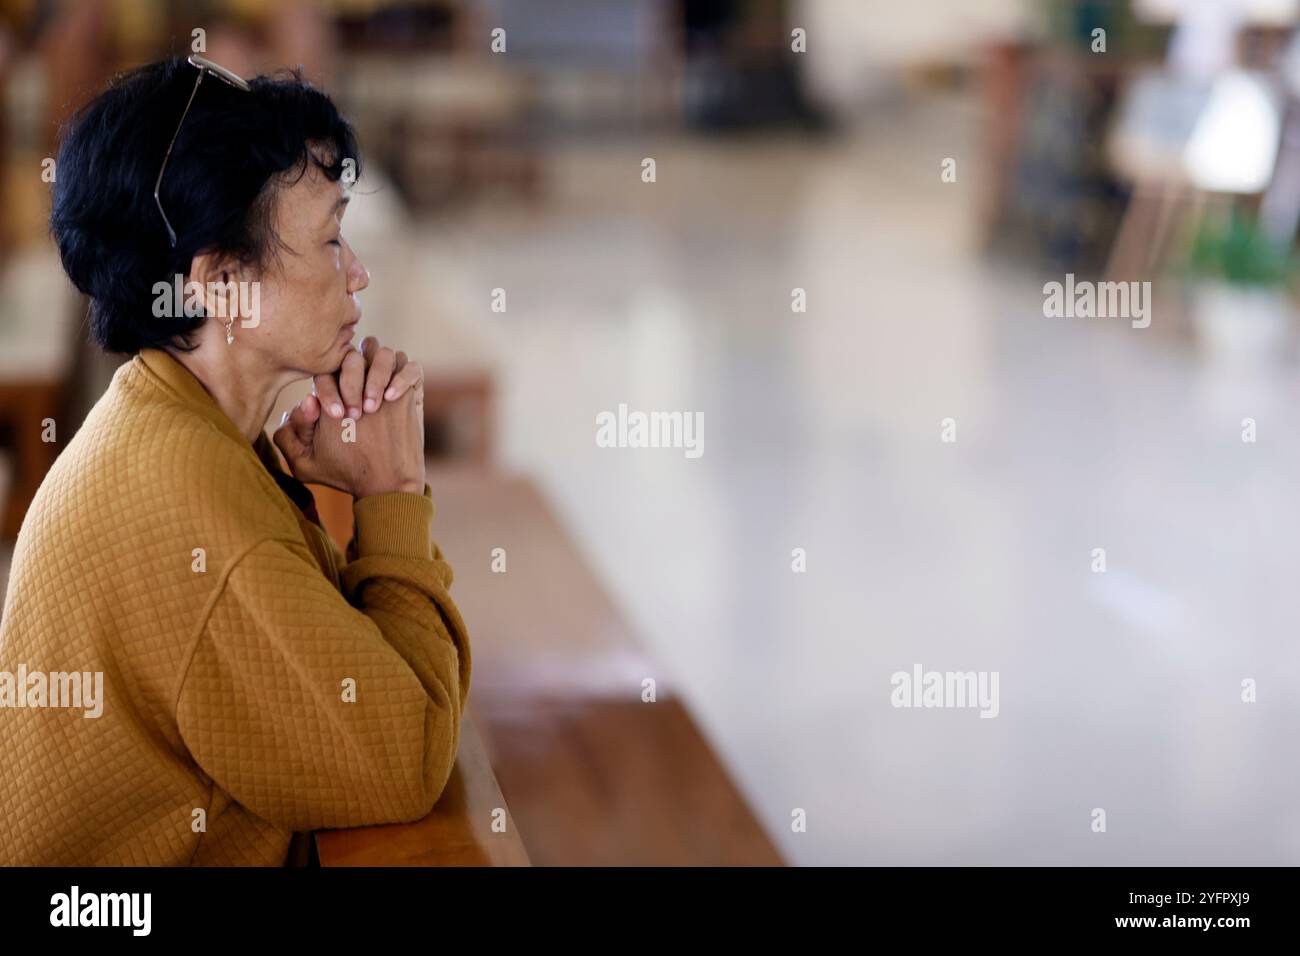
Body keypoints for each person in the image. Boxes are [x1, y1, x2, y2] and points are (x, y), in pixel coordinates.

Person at [0, 56, 471, 865]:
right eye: (328, 238)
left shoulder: (167, 417)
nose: (357, 272)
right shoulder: (190, 501)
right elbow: (410, 756)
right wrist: (391, 493)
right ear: (222, 284)